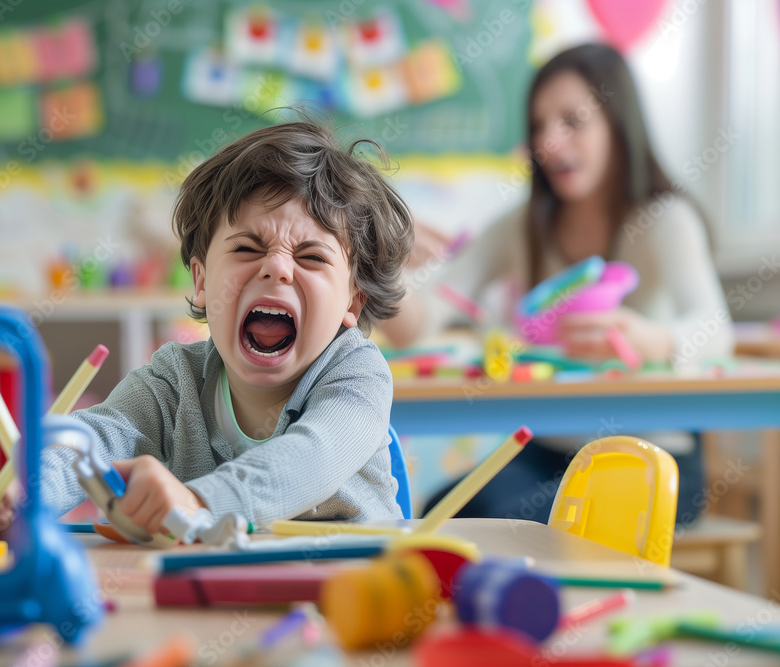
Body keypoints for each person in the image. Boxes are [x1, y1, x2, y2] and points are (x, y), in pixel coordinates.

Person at [383, 43, 733, 525]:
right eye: (539, 126)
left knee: (509, 526)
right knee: (449, 512)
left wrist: (650, 338)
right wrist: (377, 258)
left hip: (650, 458)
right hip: (550, 454)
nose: (549, 142)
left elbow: (716, 327)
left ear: (618, 123)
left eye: (572, 120)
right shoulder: (522, 225)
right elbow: (419, 323)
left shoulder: (664, 220)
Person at [36, 119, 414, 532]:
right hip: (215, 595)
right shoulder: (173, 381)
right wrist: (21, 500)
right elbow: (96, 440)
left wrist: (199, 502)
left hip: (349, 590)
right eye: (247, 248)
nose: (276, 268)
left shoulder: (358, 373)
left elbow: (314, 456)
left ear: (353, 300)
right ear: (201, 282)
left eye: (311, 257)